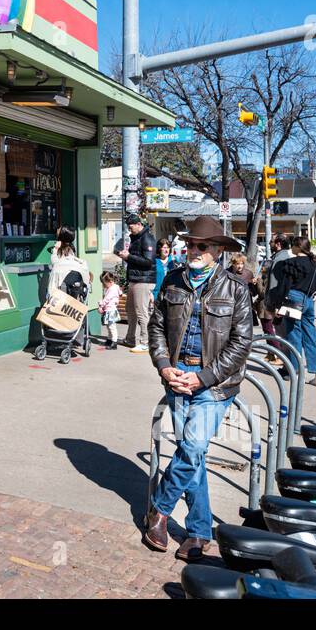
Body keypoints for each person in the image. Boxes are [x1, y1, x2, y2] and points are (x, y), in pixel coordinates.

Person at [144, 215, 251, 560]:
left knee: (191, 446)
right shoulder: (173, 281)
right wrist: (164, 367)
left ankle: (159, 510)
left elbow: (241, 344)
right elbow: (156, 328)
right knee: (195, 457)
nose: (193, 250)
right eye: (190, 244)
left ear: (217, 251)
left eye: (201, 246)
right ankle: (199, 532)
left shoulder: (235, 288)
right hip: (177, 378)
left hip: (214, 385)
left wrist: (203, 377)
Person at [270, 236, 316, 388]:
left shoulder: (291, 263)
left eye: (293, 245)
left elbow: (284, 286)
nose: (291, 248)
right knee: (310, 337)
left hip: (293, 299)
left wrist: (278, 305)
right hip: (308, 301)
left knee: (294, 337)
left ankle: (296, 372)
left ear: (298, 247)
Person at [113, 212, 157, 353]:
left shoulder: (147, 238)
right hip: (135, 279)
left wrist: (129, 256)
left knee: (141, 312)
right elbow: (137, 259)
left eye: (131, 227)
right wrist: (125, 256)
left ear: (139, 224)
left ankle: (145, 342)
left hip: (143, 280)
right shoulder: (137, 238)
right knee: (130, 310)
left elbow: (148, 262)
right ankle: (130, 338)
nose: (129, 230)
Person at [48, 225, 91, 296]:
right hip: (72, 290)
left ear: (62, 234)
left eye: (59, 229)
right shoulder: (71, 250)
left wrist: (55, 249)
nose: (57, 229)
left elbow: (56, 264)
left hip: (62, 290)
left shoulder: (60, 250)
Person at [98, 271, 122, 350]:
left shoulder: (111, 289)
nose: (103, 285)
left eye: (104, 284)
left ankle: (114, 342)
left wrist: (101, 305)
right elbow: (120, 293)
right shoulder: (115, 287)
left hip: (110, 310)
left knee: (112, 327)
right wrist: (117, 299)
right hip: (110, 309)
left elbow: (107, 299)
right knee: (109, 326)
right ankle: (109, 340)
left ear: (110, 281)